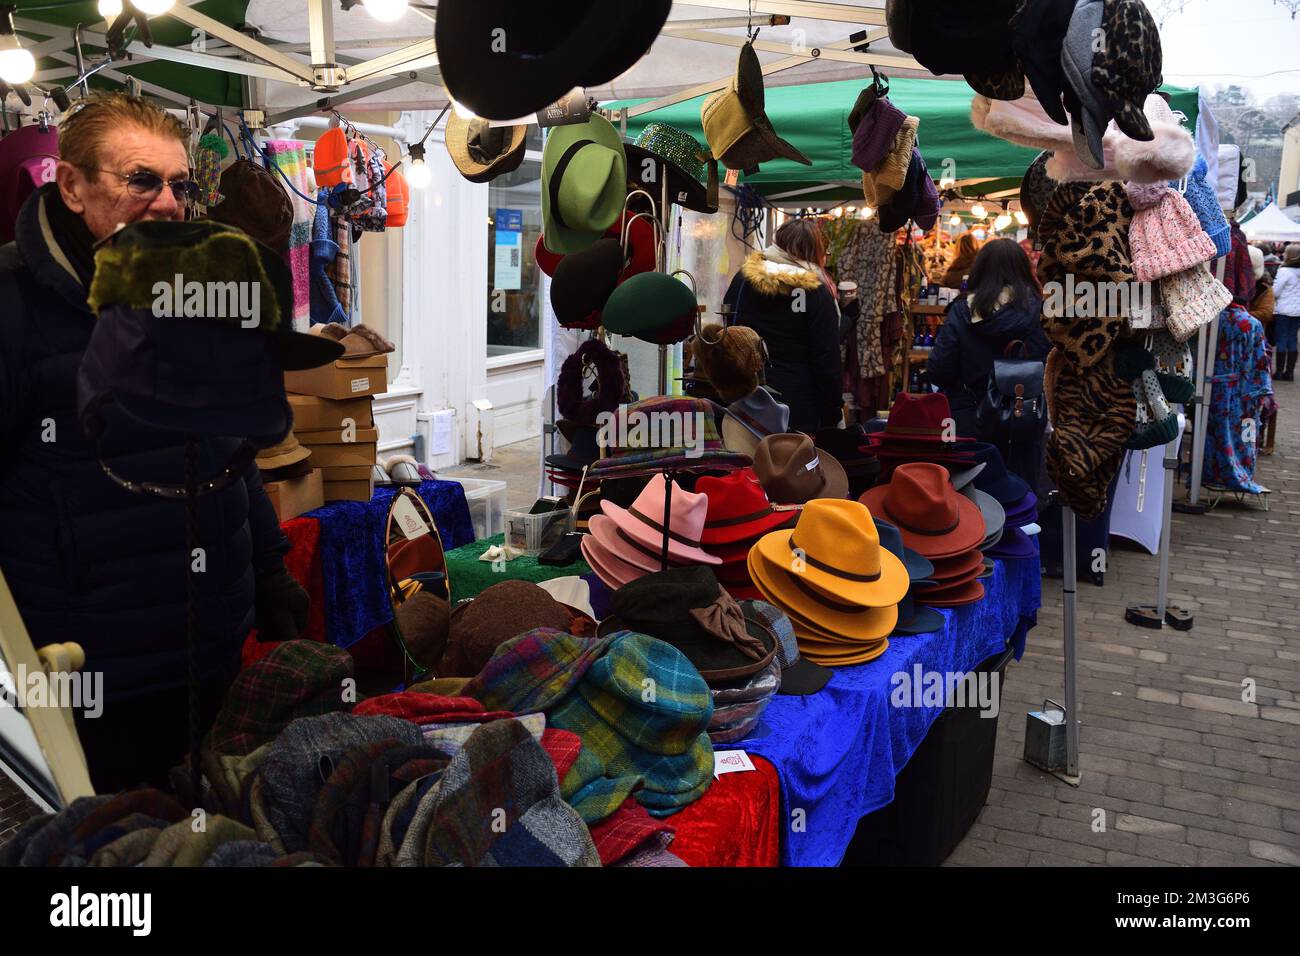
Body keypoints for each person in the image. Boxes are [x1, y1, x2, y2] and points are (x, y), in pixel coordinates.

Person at [0, 95, 309, 793]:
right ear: (73, 187)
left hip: (210, 654)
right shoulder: (13, 309)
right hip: (89, 680)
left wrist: (266, 566)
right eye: (143, 180)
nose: (169, 204)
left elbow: (232, 447)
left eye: (182, 185)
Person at [928, 238, 1051, 485]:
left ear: (980, 269)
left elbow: (939, 370)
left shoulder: (962, 311)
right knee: (1020, 504)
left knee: (969, 507)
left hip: (967, 423)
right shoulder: (1041, 312)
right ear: (1023, 270)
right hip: (1022, 422)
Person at [723, 218, 843, 433]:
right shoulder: (816, 292)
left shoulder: (743, 279)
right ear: (815, 252)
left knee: (749, 462)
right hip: (797, 404)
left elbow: (729, 327)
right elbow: (826, 359)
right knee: (792, 463)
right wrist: (832, 415)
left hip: (746, 395)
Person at [1272, 243, 1300, 381]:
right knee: (1292, 339)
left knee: (1282, 340)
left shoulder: (1284, 271)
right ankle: (1289, 373)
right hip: (1298, 311)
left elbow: (1275, 292)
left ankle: (1279, 372)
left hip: (1283, 309)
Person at [1247, 245, 1275, 343]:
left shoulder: (1264, 287)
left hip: (1253, 335)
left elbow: (1266, 313)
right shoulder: (1232, 281)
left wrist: (1239, 316)